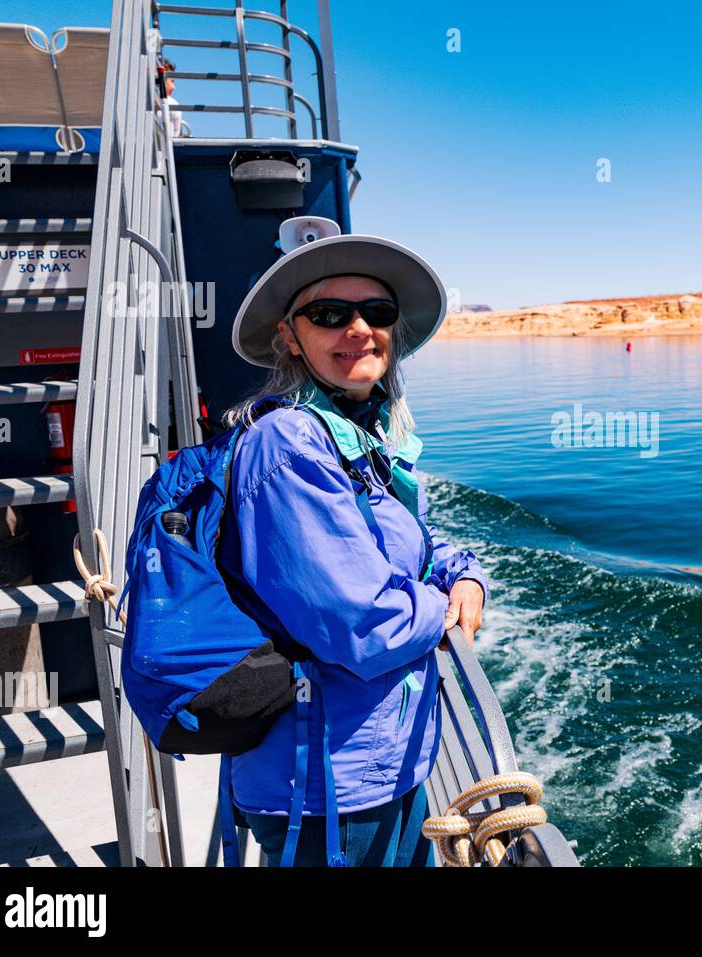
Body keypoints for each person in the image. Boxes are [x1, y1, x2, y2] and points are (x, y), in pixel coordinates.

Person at [216, 234, 488, 866]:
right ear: (289, 336)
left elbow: (405, 539)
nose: (360, 329)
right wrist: (440, 607)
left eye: (378, 312)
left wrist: (463, 573)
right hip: (324, 784)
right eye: (330, 314)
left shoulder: (356, 437)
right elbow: (363, 625)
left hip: (385, 758)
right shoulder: (287, 446)